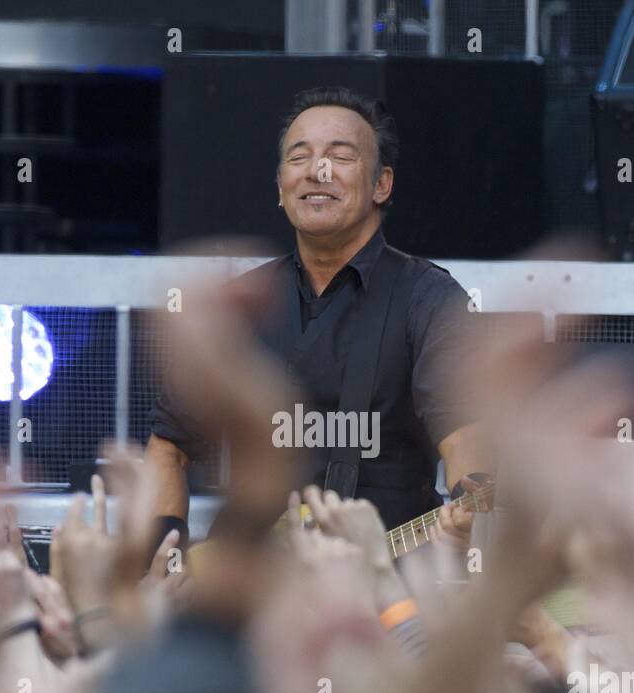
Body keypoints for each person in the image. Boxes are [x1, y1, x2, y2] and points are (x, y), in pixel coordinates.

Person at [147, 86, 488, 545]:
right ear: (280, 186)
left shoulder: (430, 299)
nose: (317, 171)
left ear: (381, 184)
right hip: (249, 587)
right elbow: (168, 448)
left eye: (340, 156)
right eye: (299, 156)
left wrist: (473, 495)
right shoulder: (241, 305)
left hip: (388, 580)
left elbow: (466, 437)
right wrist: (163, 547)